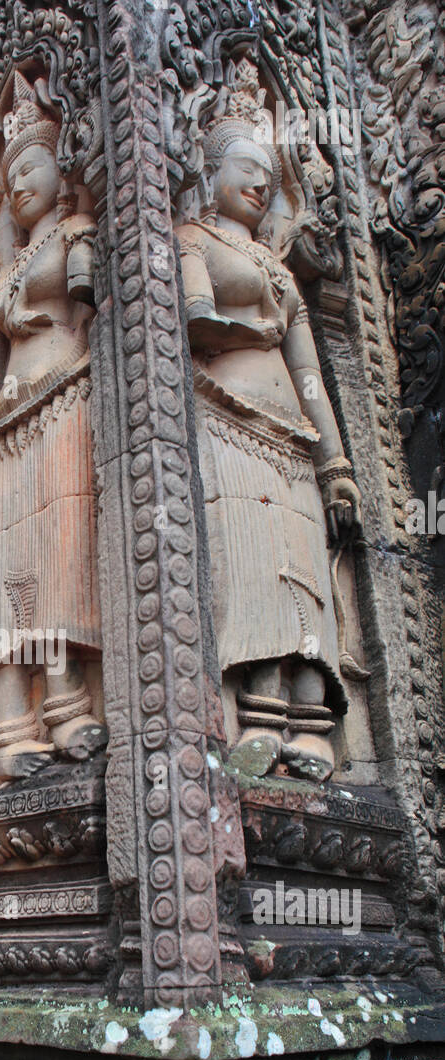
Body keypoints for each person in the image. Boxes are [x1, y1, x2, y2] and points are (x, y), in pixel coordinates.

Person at [178, 91, 362, 780]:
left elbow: (308, 371)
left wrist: (334, 460)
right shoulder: (192, 240)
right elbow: (197, 321)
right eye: (245, 169)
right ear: (210, 174)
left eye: (268, 175)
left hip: (293, 434)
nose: (259, 184)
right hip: (226, 419)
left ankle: (312, 725)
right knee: (253, 571)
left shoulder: (280, 270)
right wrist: (258, 330)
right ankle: (257, 718)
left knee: (306, 579)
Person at [0, 72, 106, 782]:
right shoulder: (4, 281)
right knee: (11, 574)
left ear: (62, 169)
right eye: (9, 178)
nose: (19, 186)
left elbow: (97, 307)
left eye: (32, 168)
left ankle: (68, 708)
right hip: (8, 432)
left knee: (63, 560)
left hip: (69, 403)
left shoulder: (77, 233)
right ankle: (11, 727)